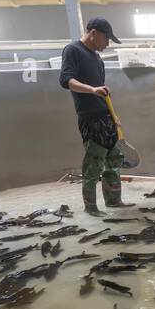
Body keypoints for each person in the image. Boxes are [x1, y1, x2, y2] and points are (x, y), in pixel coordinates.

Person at [59, 17, 130, 215]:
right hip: (89, 117)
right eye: (106, 39)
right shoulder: (73, 50)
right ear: (93, 33)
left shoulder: (97, 58)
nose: (107, 44)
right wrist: (91, 89)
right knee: (94, 163)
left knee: (114, 160)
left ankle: (114, 201)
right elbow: (66, 80)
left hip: (106, 115)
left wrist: (113, 116)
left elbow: (101, 91)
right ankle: (91, 207)